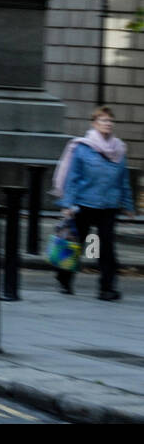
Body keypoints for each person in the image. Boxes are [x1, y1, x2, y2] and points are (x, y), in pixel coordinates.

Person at [53, 106, 136, 299]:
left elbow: (123, 181)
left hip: (108, 207)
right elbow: (73, 178)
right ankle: (64, 278)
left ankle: (107, 288)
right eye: (103, 120)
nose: (107, 124)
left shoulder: (119, 150)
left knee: (106, 248)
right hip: (84, 205)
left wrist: (128, 205)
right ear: (94, 124)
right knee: (76, 245)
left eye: (110, 121)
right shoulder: (82, 148)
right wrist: (67, 205)